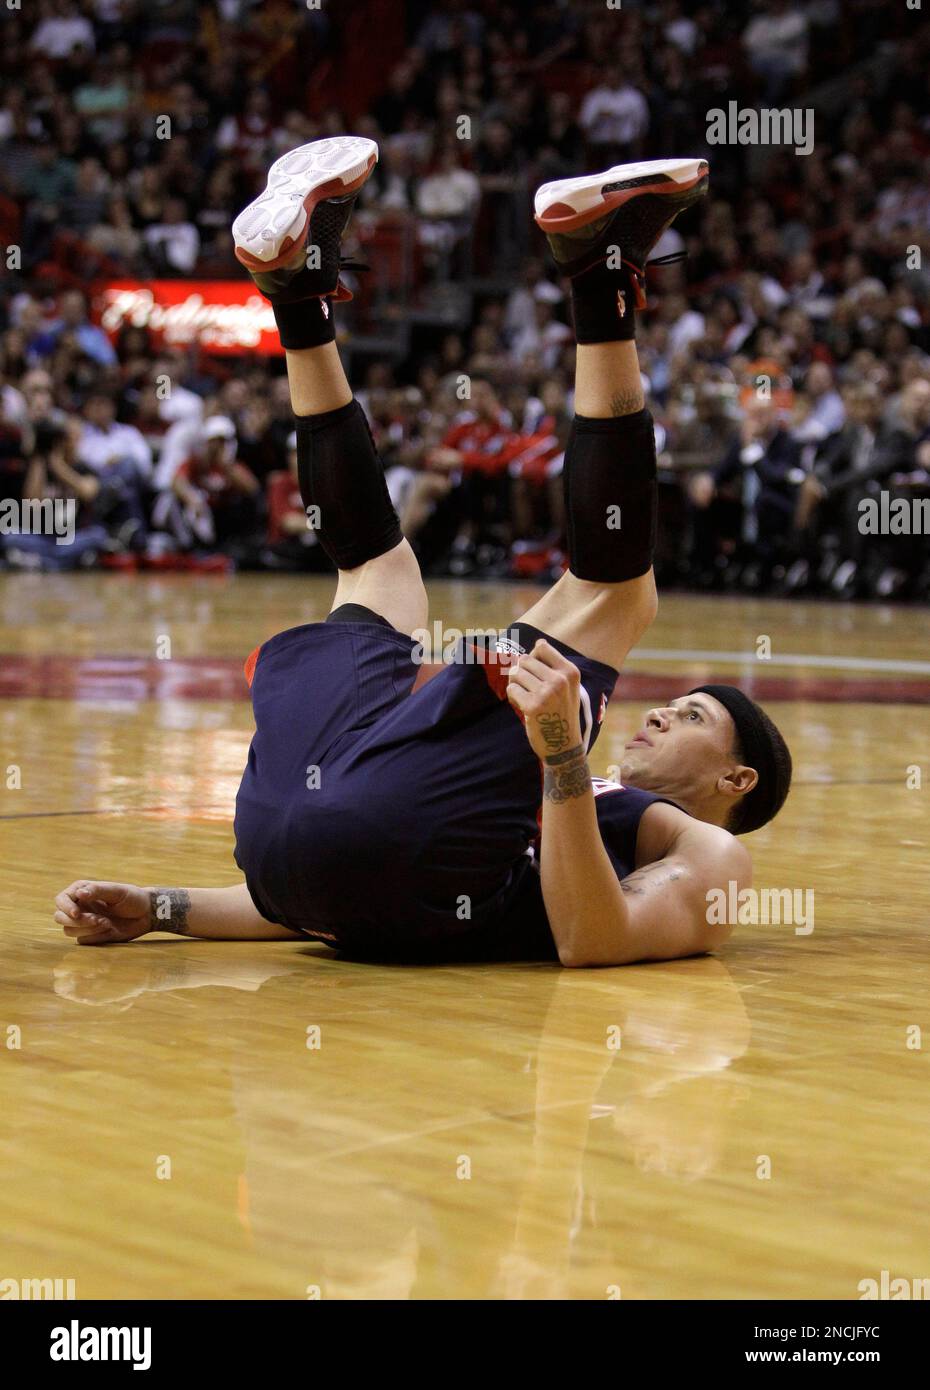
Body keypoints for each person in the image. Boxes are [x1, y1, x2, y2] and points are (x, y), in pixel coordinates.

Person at [55, 137, 791, 968]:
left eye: (695, 718)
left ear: (739, 782)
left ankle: (598, 277)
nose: (660, 711)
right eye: (679, 703)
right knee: (376, 572)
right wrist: (160, 907)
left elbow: (594, 939)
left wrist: (558, 758)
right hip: (297, 842)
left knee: (619, 595)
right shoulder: (582, 795)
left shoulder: (715, 860)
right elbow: (332, 874)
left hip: (385, 842)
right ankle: (299, 294)